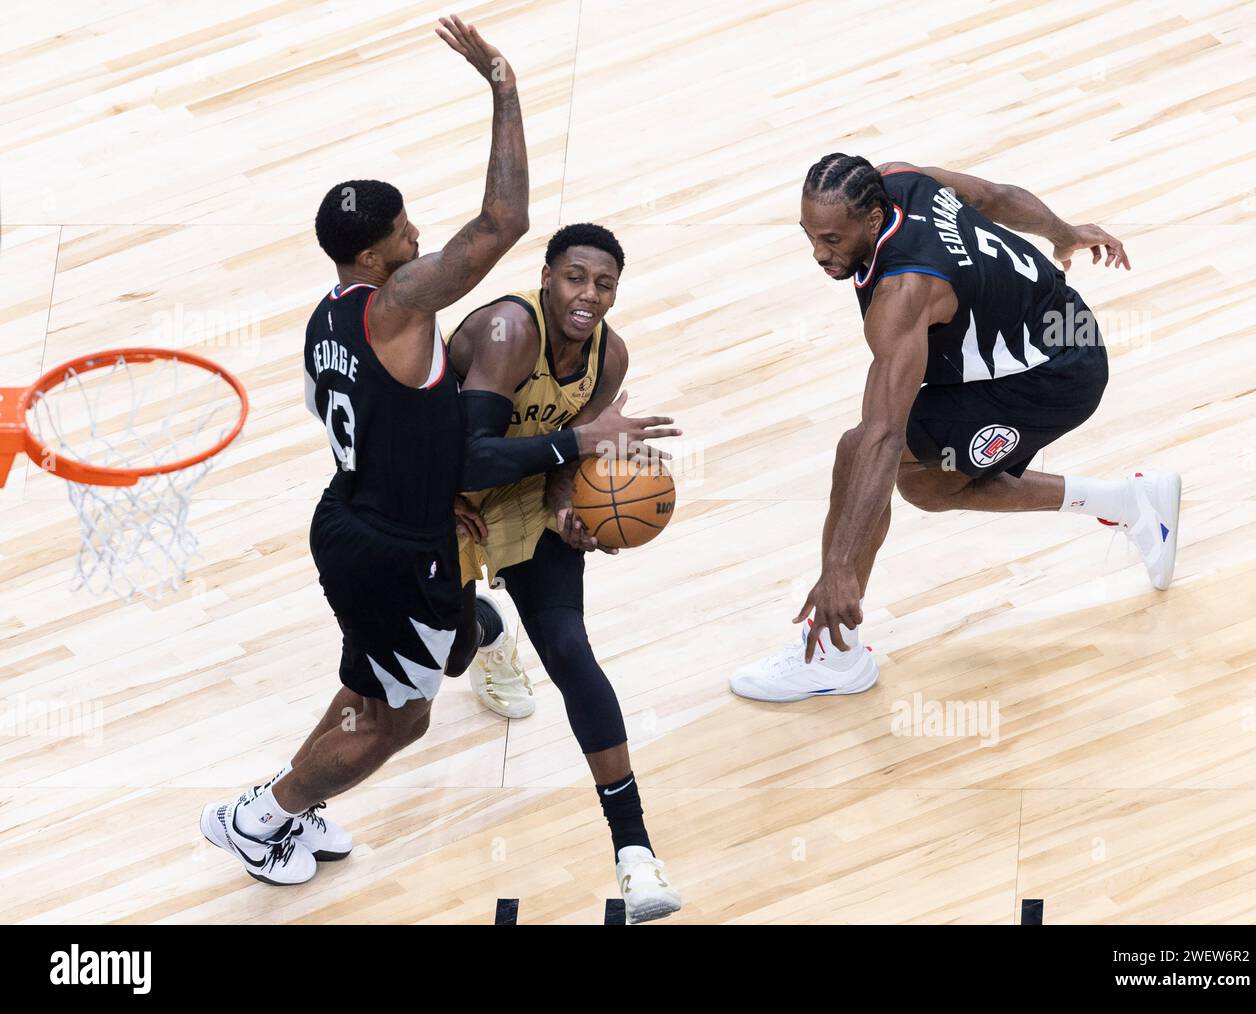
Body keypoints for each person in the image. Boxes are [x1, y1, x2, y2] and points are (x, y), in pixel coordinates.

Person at [200, 16, 673, 887]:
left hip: (352, 518)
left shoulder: (327, 322)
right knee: (394, 721)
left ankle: (287, 810)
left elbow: (362, 419)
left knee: (379, 688)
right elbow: (505, 219)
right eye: (409, 233)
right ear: (378, 255)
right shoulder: (398, 308)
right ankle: (260, 817)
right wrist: (502, 84)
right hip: (400, 547)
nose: (421, 239)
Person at [731, 155, 1180, 703]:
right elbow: (994, 196)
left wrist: (838, 571)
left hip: (1053, 375)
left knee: (860, 451)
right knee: (929, 485)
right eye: (808, 234)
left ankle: (834, 653)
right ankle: (1133, 502)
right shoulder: (899, 179)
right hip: (1052, 323)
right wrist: (1062, 234)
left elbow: (881, 437)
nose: (819, 253)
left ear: (874, 221)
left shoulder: (903, 294)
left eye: (830, 238)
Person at [444, 222, 683, 924]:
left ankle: (635, 851)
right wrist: (578, 442)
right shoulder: (507, 333)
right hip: (443, 491)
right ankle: (485, 633)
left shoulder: (610, 357)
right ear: (546, 277)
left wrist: (572, 511)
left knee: (572, 653)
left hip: (519, 486)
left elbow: (566, 463)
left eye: (604, 283)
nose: (589, 294)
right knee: (449, 653)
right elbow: (468, 460)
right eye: (576, 277)